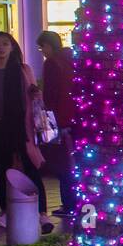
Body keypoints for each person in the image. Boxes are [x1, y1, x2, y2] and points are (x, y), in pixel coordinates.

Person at [0, 32, 52, 233]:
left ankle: (42, 213)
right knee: (1, 170)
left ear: (12, 47)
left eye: (5, 44)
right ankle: (5, 212)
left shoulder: (23, 71)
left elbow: (34, 98)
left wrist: (37, 95)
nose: (0, 48)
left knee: (30, 167)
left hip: (19, 128)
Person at [35, 31, 76, 217]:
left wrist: (45, 119)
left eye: (42, 46)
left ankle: (68, 205)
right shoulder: (69, 61)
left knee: (60, 164)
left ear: (49, 45)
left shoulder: (51, 63)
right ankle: (73, 202)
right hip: (71, 117)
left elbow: (50, 95)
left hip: (55, 119)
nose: (42, 51)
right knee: (70, 163)